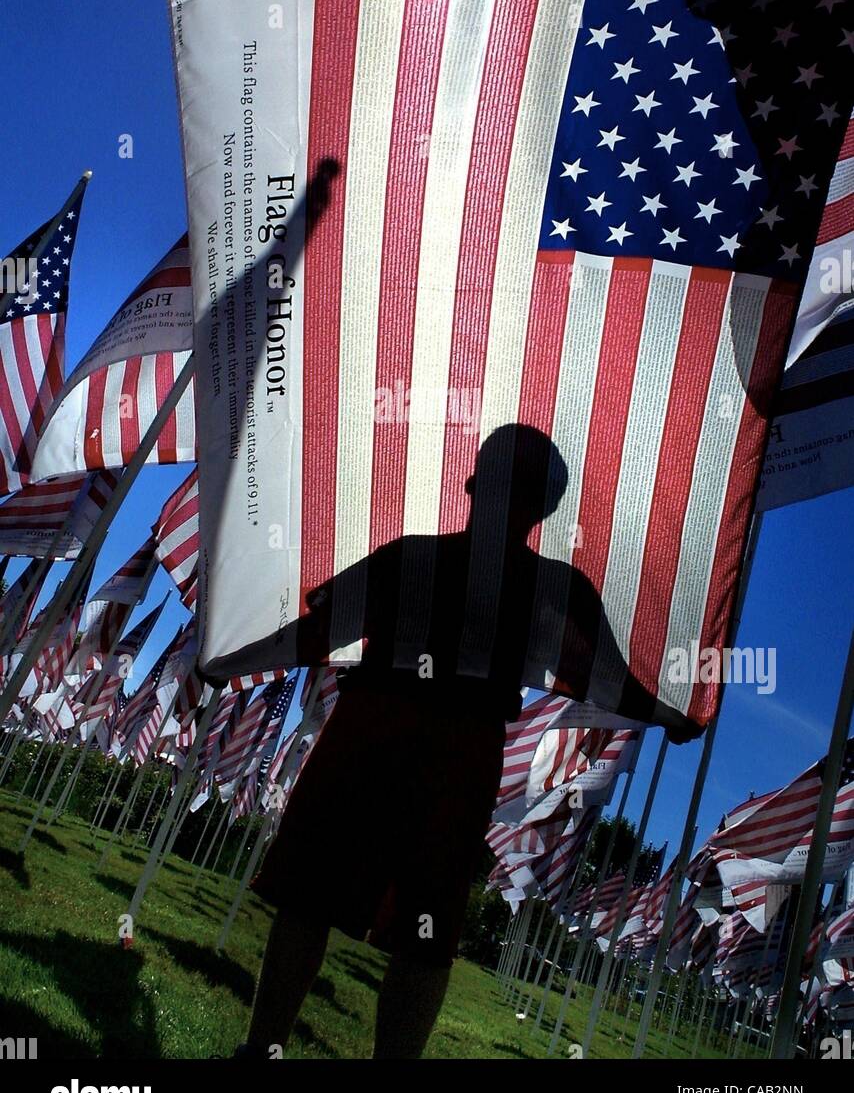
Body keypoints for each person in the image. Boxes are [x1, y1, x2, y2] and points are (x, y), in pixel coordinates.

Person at [204, 423, 696, 1059]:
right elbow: (609, 684)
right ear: (545, 506)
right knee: (416, 926)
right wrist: (670, 716)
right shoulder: (546, 586)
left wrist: (226, 662)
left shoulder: (416, 559)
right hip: (454, 753)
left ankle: (261, 1051)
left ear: (473, 483)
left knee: (326, 901)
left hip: (377, 734)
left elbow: (314, 634)